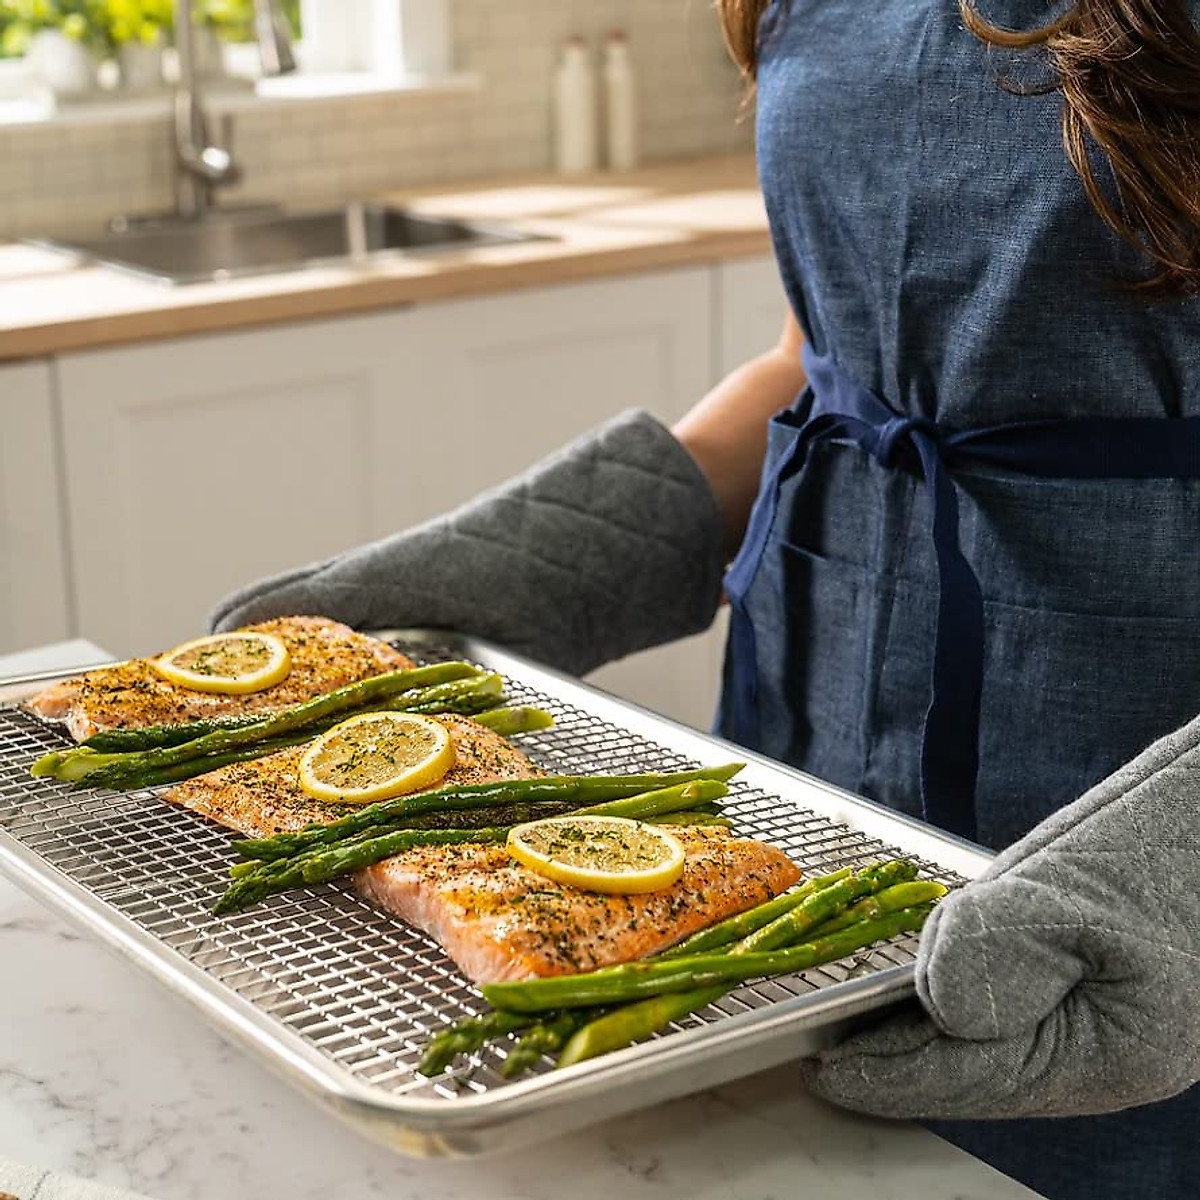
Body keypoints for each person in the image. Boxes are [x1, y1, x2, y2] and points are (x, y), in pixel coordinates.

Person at [211, 1, 1200, 1196]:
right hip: (805, 766)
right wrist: (571, 548)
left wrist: (1177, 878)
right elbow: (823, 361)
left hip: (1135, 801)